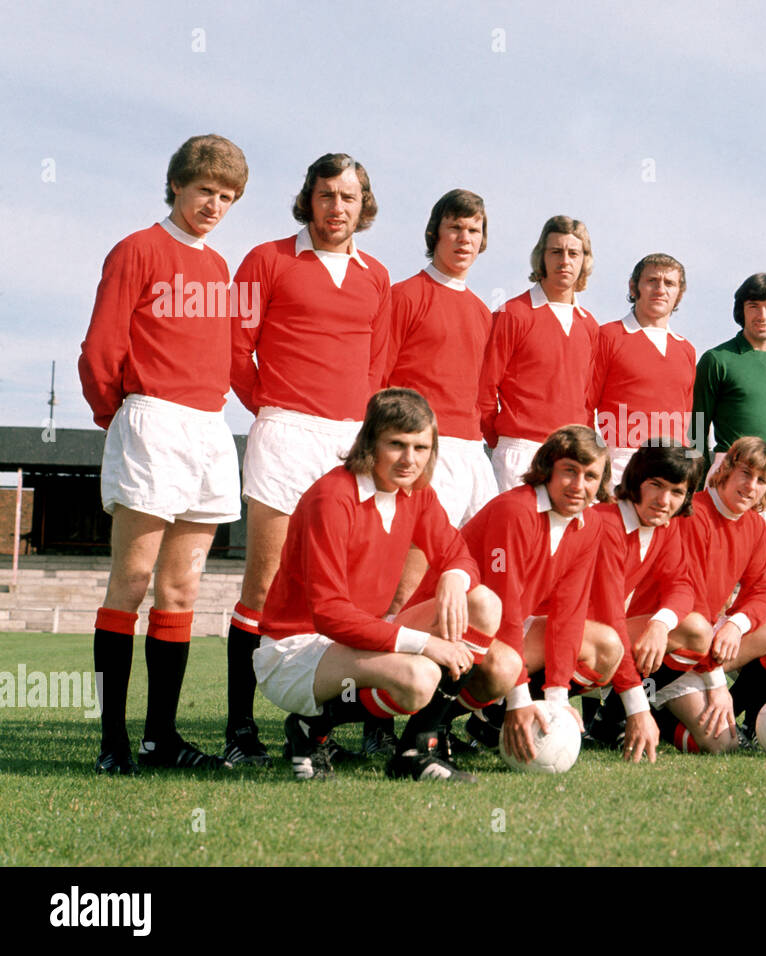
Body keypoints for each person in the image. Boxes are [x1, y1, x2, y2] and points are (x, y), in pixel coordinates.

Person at [78, 134, 249, 773]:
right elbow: (100, 349)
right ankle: (112, 742)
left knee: (180, 589)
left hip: (209, 428)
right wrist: (118, 416)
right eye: (205, 189)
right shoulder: (136, 249)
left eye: (227, 196)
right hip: (151, 418)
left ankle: (160, 739)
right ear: (176, 184)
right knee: (131, 578)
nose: (214, 204)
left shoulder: (220, 268)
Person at [224, 153, 392, 766]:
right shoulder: (266, 260)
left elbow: (379, 367)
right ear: (309, 199)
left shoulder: (377, 277)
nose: (337, 208)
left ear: (363, 204)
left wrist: (359, 431)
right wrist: (271, 405)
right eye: (326, 196)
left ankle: (320, 731)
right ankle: (240, 733)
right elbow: (235, 350)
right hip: (284, 431)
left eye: (348, 197)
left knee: (345, 590)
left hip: (349, 443)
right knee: (264, 586)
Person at [253, 388, 502, 781]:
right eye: (397, 445)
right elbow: (330, 615)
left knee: (483, 603)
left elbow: (458, 553)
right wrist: (426, 644)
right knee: (419, 677)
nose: (410, 459)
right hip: (296, 649)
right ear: (370, 441)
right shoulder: (332, 498)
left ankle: (416, 751)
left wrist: (454, 576)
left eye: (421, 447)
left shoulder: (416, 493)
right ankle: (309, 729)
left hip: (357, 640)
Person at [406, 425, 620, 766]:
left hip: (495, 627)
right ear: (548, 468)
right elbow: (504, 603)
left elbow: (570, 611)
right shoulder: (515, 510)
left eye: (591, 476)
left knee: (605, 645)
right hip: (443, 623)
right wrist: (520, 695)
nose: (579, 486)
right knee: (506, 665)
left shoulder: (589, 523)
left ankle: (490, 722)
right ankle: (428, 726)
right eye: (570, 471)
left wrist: (558, 697)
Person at [653, 437, 766, 753]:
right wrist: (716, 684)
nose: (751, 486)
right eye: (745, 473)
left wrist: (736, 624)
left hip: (710, 639)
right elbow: (689, 609)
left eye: (762, 480)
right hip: (674, 644)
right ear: (725, 468)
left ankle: (741, 717)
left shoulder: (754, 525)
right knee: (721, 747)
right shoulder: (691, 513)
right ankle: (651, 711)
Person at [584, 442, 703, 762]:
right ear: (636, 479)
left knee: (696, 631)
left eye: (677, 492)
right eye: (656, 485)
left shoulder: (665, 527)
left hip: (590, 639)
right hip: (543, 635)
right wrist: (640, 709)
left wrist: (659, 624)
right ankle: (491, 715)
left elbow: (682, 585)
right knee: (608, 640)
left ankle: (609, 721)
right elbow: (608, 616)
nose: (665, 501)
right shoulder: (606, 523)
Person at [385, 188, 495, 527]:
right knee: (420, 563)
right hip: (425, 445)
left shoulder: (482, 311)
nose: (464, 239)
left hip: (472, 451)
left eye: (473, 231)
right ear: (435, 233)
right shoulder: (403, 296)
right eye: (455, 228)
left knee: (480, 559)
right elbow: (377, 378)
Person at [478, 216, 600, 492]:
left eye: (573, 253)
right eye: (556, 252)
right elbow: (484, 387)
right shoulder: (513, 313)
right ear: (542, 257)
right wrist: (500, 441)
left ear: (584, 260)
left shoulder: (589, 325)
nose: (565, 260)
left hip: (573, 455)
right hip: (520, 453)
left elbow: (588, 399)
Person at [691, 274, 766, 522]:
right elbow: (697, 430)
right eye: (753, 306)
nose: (762, 315)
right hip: (730, 478)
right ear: (742, 311)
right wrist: (695, 489)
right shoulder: (716, 359)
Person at [588, 254, 696, 486]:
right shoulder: (608, 336)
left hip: (671, 465)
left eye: (669, 283)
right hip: (620, 464)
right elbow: (586, 404)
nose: (660, 289)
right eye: (652, 281)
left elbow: (687, 419)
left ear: (679, 293)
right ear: (634, 286)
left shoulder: (686, 349)